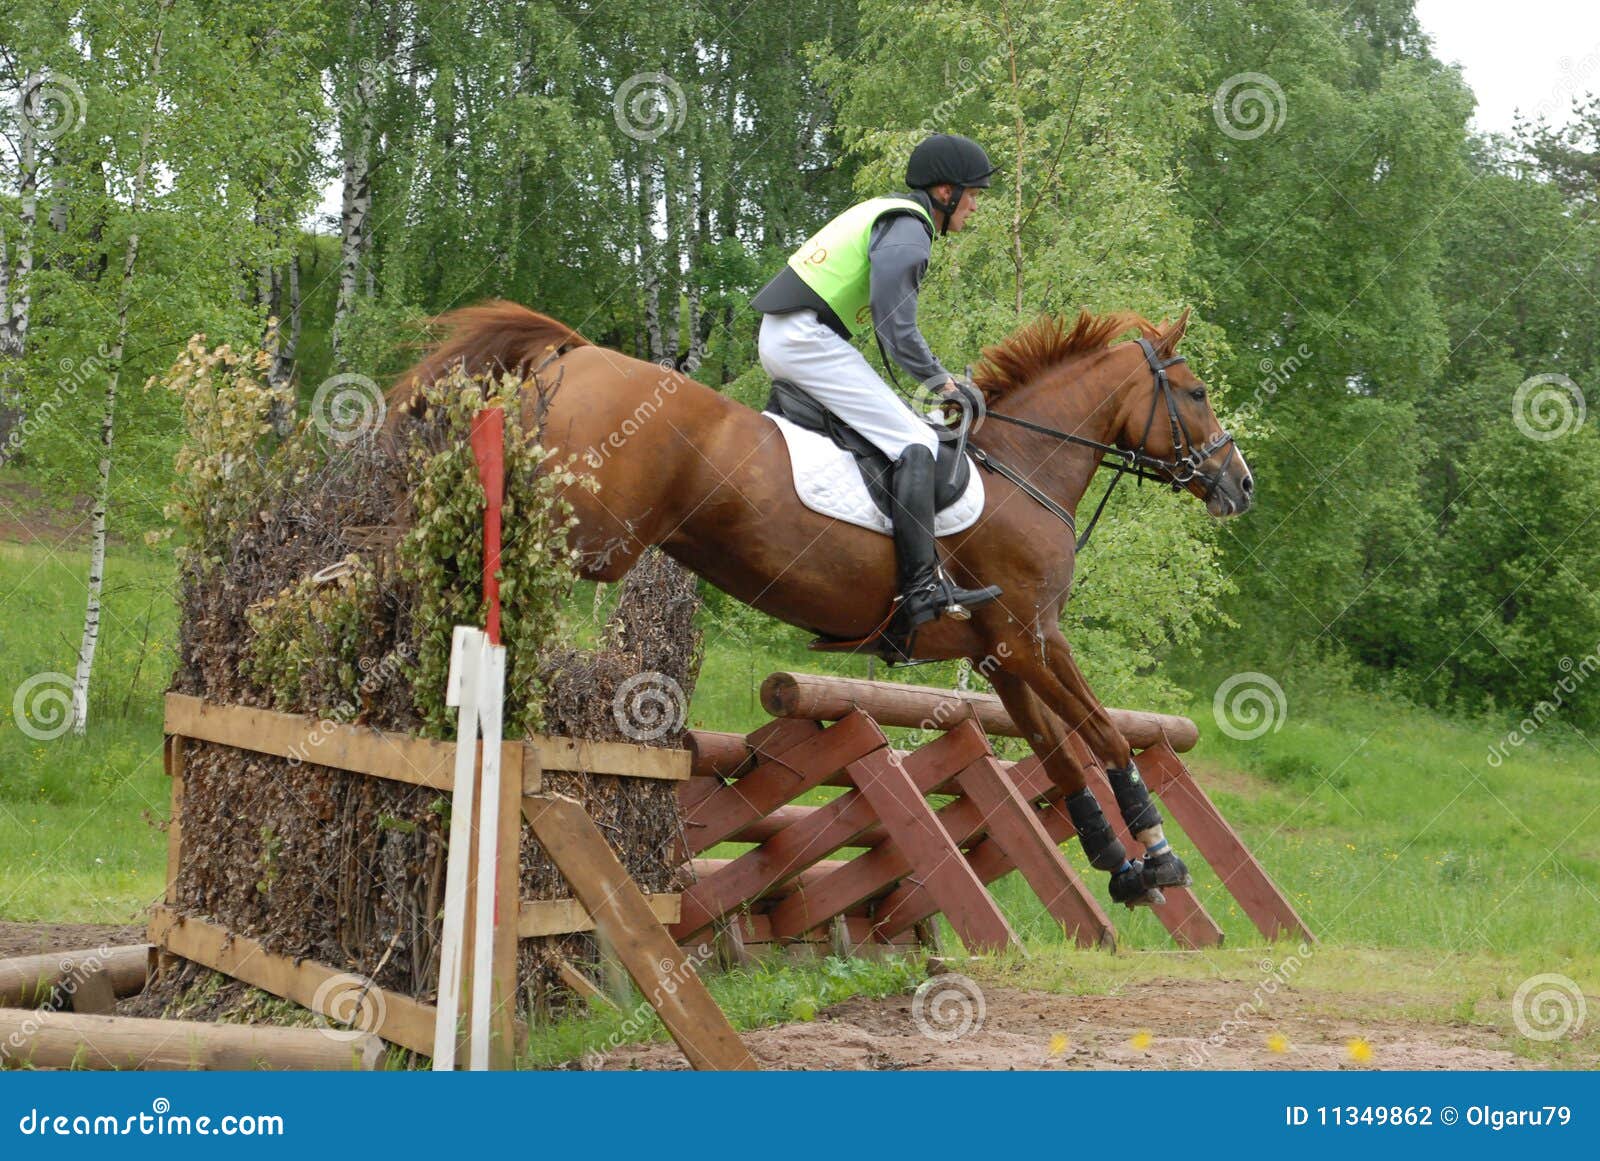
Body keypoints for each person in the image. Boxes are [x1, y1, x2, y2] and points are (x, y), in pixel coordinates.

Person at [752, 133, 1003, 651]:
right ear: (943, 191)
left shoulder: (891, 214)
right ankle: (920, 590)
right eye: (972, 194)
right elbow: (896, 326)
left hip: (793, 335)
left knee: (895, 433)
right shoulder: (910, 230)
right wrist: (943, 382)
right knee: (917, 444)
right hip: (802, 338)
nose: (976, 206)